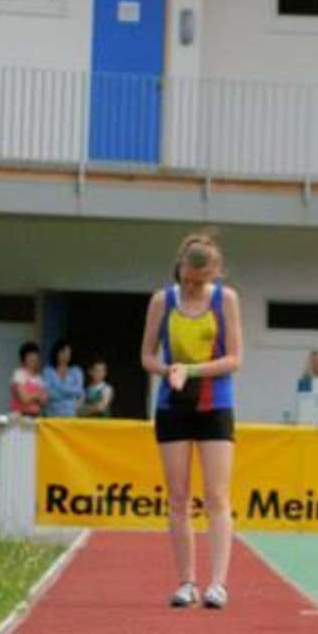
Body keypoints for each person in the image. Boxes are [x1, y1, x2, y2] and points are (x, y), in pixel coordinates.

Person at [140, 232, 243, 612]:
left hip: (215, 404)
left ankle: (218, 584)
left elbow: (234, 358)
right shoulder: (162, 301)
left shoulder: (225, 300)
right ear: (180, 267)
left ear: (213, 274)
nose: (192, 286)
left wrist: (193, 369)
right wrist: (170, 370)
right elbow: (146, 357)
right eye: (187, 278)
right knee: (178, 496)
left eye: (200, 281)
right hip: (172, 404)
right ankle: (186, 581)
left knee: (217, 495)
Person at [41, 338, 84, 418]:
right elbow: (48, 392)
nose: (65, 355)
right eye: (62, 352)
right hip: (52, 413)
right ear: (56, 353)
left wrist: (58, 389)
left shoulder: (76, 371)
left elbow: (78, 390)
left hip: (70, 413)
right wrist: (69, 395)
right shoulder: (48, 371)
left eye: (67, 353)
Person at [9, 341, 46, 420]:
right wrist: (37, 396)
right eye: (30, 357)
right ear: (24, 358)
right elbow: (24, 398)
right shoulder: (18, 374)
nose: (33, 359)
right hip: (20, 416)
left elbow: (43, 401)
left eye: (35, 356)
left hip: (36, 416)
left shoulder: (39, 378)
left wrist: (32, 396)